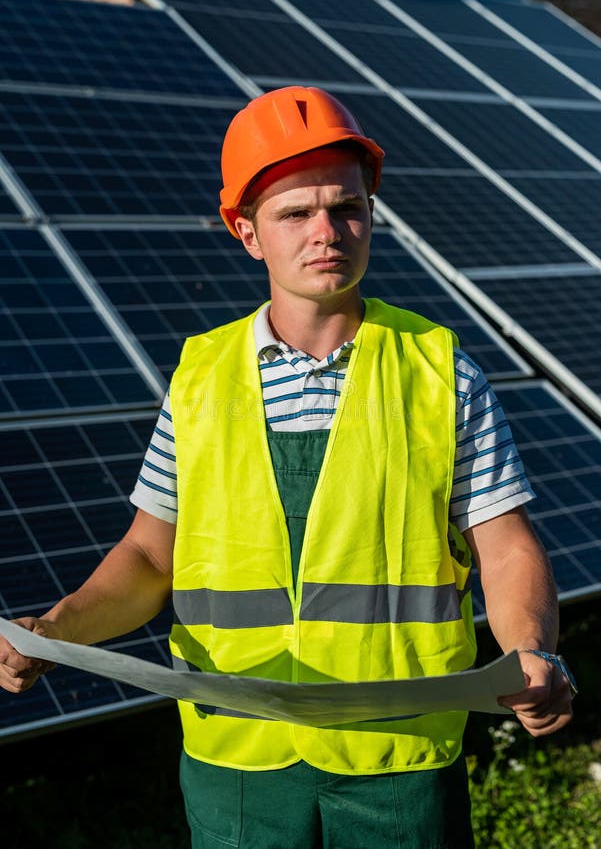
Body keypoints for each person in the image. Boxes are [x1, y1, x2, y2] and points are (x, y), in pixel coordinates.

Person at [0, 86, 575, 848]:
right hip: (237, 757)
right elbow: (147, 556)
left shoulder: (440, 372)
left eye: (346, 208)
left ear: (371, 215)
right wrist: (53, 628)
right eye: (294, 214)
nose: (326, 232)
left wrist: (529, 650)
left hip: (396, 752)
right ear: (245, 232)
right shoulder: (200, 378)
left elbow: (504, 546)